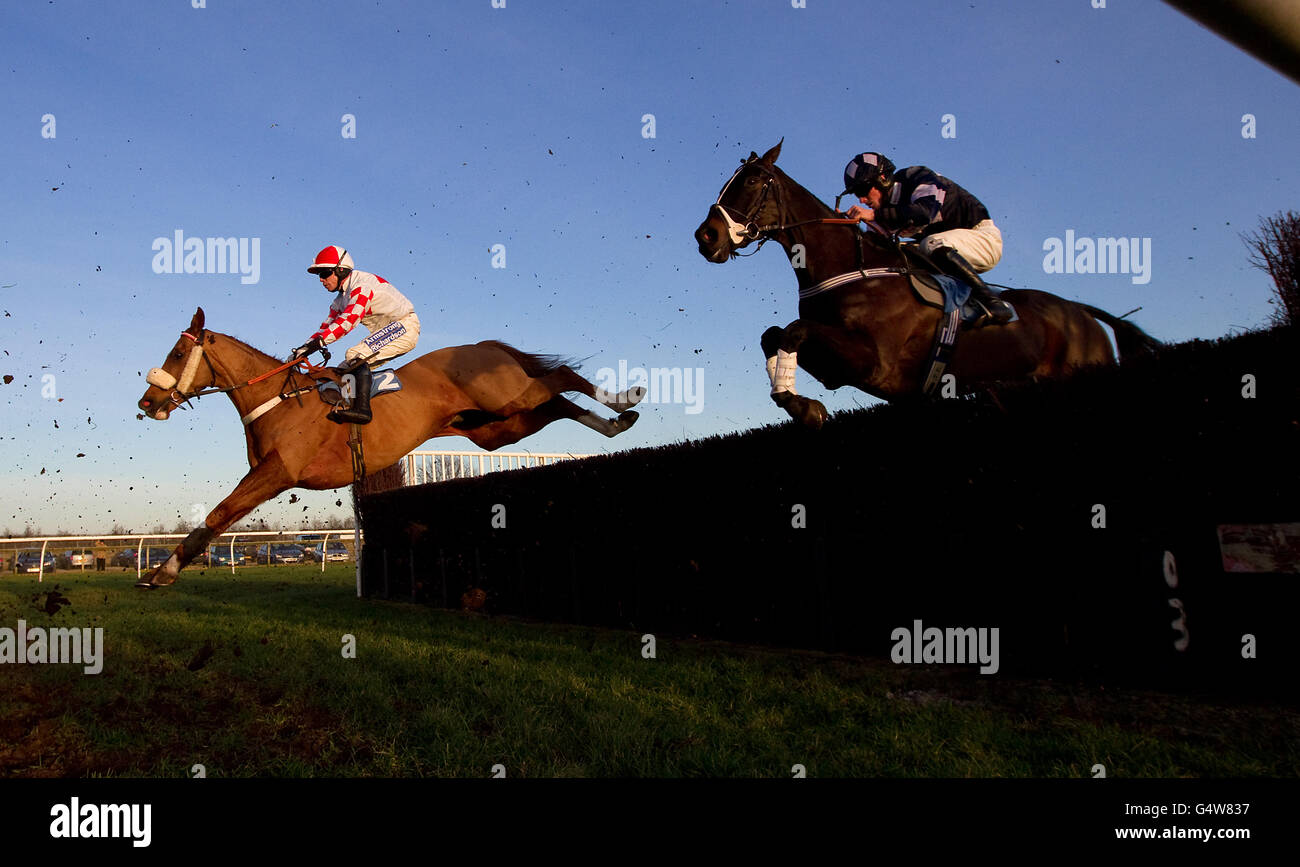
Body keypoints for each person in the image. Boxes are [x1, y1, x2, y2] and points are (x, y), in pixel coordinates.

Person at [841, 152, 1013, 326]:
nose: (862, 200)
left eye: (863, 191)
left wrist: (873, 215)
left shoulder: (916, 177)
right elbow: (875, 254)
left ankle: (992, 302)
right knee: (900, 258)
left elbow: (923, 214)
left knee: (930, 244)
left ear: (883, 179)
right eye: (857, 195)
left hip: (982, 239)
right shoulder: (881, 212)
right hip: (947, 247)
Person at [290, 246, 421, 424]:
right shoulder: (339, 300)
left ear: (341, 270)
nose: (321, 280)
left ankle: (363, 411)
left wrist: (314, 346)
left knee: (354, 355)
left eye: (325, 273)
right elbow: (325, 328)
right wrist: (301, 349)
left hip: (404, 326)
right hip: (392, 329)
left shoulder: (362, 286)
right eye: (319, 276)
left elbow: (348, 321)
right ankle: (354, 407)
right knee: (341, 371)